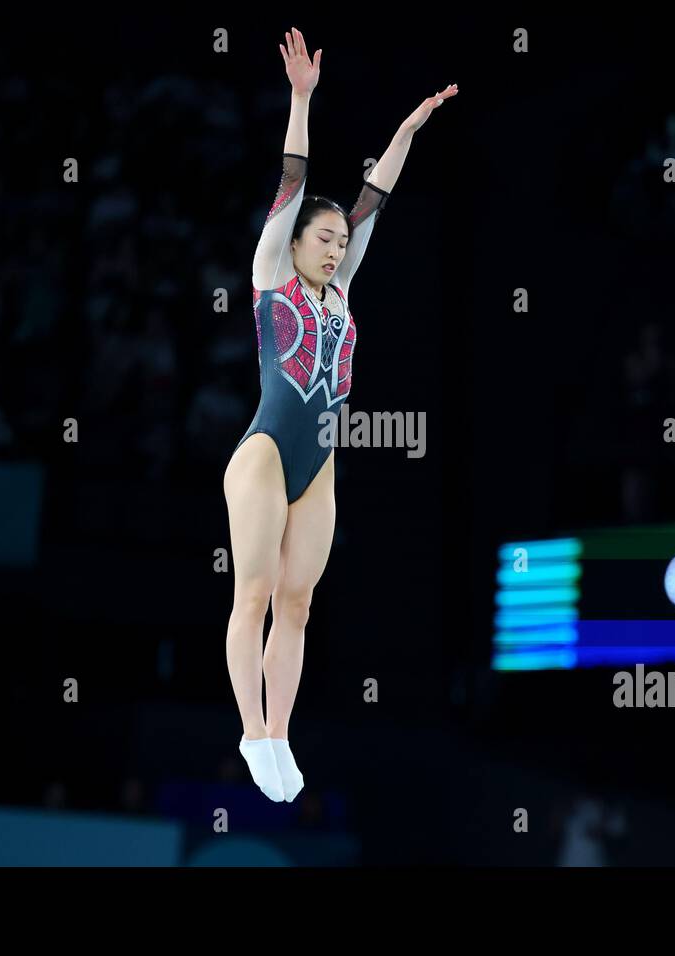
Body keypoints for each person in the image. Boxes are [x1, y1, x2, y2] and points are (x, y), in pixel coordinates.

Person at [223, 27, 456, 801]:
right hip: (263, 452)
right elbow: (295, 176)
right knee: (252, 595)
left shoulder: (341, 293)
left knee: (298, 602)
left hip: (317, 463)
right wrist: (300, 99)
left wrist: (406, 130)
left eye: (338, 242)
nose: (334, 247)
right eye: (322, 239)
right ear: (294, 244)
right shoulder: (270, 274)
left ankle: (280, 732)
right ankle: (252, 731)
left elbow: (375, 198)